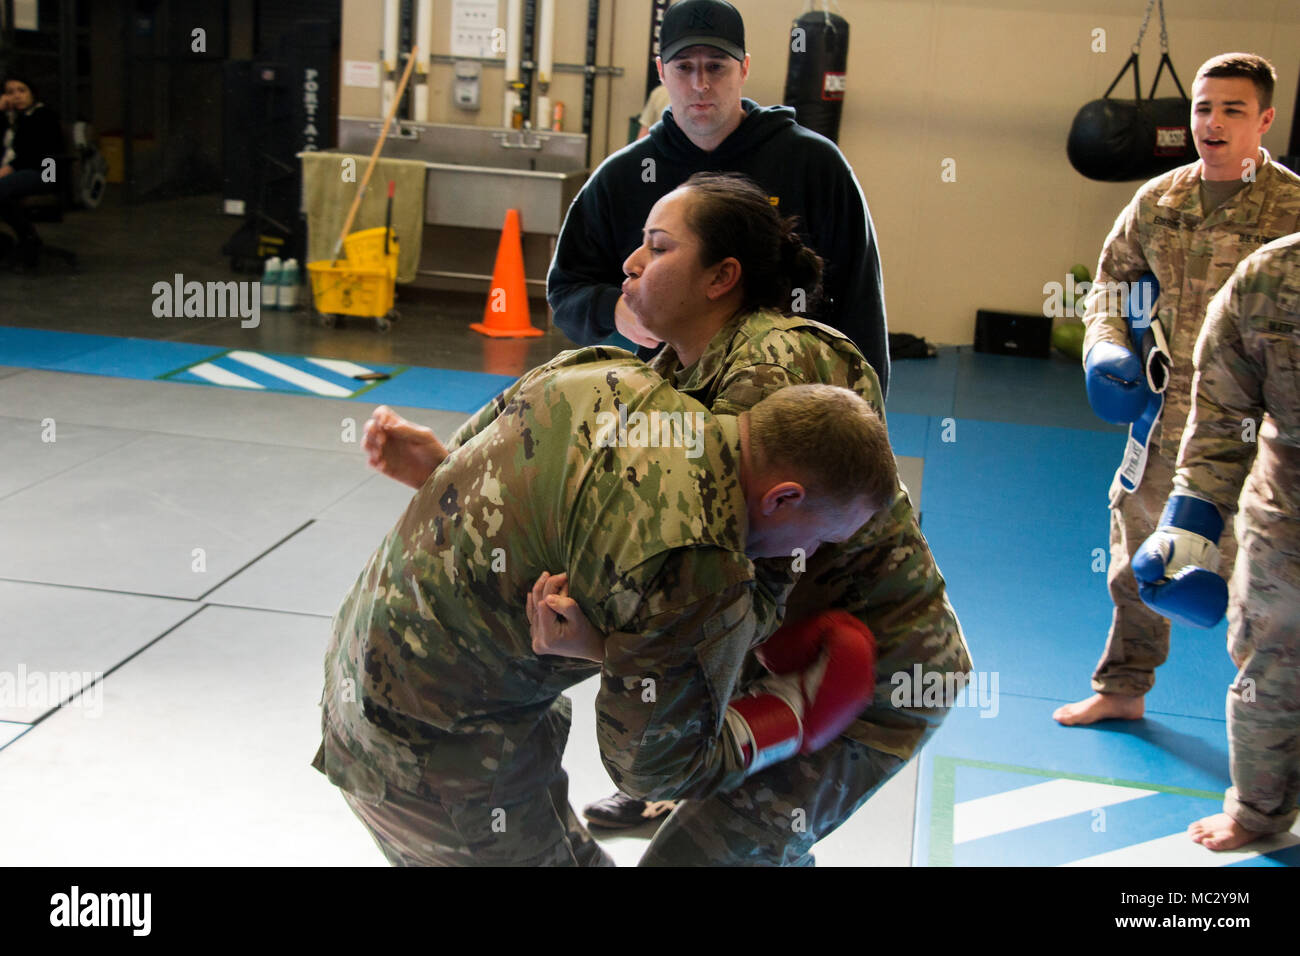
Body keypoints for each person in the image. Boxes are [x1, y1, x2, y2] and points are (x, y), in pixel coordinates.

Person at [366, 172, 971, 864]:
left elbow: (718, 583)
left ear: (721, 278)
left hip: (870, 675)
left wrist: (614, 652)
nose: (630, 263)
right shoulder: (674, 375)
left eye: (658, 247)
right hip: (765, 664)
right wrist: (450, 470)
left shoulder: (775, 367)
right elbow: (606, 520)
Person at [314, 348, 896, 866]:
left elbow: (476, 470)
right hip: (431, 751)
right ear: (784, 496)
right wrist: (791, 715)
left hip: (379, 667)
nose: (810, 554)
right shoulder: (695, 559)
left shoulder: (602, 373)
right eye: (819, 538)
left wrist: (605, 643)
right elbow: (654, 768)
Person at [1056, 52, 1300, 727]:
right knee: (1135, 560)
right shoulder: (1160, 200)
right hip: (1163, 419)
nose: (1212, 123)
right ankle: (1124, 688)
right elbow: (1109, 285)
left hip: (1257, 433)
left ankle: (1269, 746)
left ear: (1266, 120)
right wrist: (1105, 345)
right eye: (1203, 107)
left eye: (1233, 110)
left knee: (1265, 590)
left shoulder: (1293, 214)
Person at [547, 0, 891, 397]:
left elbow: (860, 300)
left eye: (716, 66)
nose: (700, 84)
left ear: (743, 68)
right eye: (684, 67)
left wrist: (866, 412)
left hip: (785, 398)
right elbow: (567, 289)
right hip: (662, 404)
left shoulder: (813, 165)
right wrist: (616, 311)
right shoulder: (623, 176)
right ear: (661, 71)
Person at [1131, 233, 1300, 850]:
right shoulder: (1269, 278)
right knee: (1271, 666)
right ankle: (1259, 811)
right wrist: (1189, 524)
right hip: (1289, 510)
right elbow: (1225, 418)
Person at [0, 74, 63, 267]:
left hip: (45, 171)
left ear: (32, 93)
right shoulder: (12, 120)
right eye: (10, 92)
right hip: (17, 171)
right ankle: (11, 240)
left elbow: (37, 152)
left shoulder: (42, 115)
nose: (16, 96)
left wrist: (10, 168)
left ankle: (26, 237)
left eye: (21, 90)